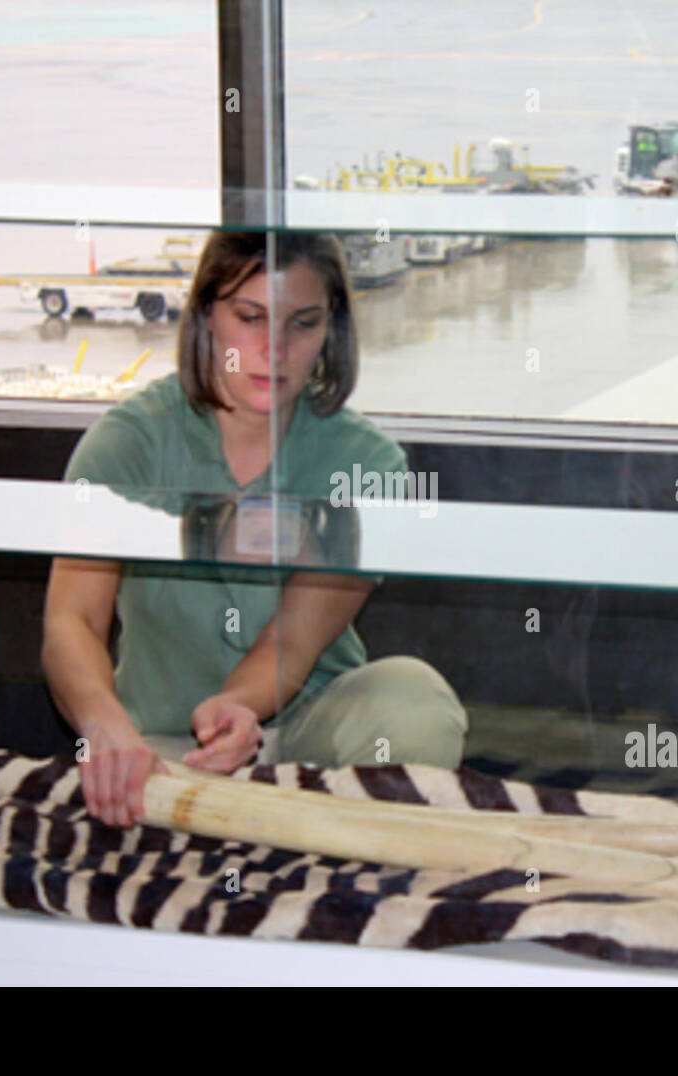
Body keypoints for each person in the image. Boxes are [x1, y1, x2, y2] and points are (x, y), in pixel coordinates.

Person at [41, 231, 468, 829]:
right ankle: (297, 835)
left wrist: (238, 705)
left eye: (303, 323)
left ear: (330, 332)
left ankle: (310, 838)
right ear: (206, 317)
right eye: (250, 318)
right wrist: (105, 728)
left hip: (310, 735)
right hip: (163, 744)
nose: (276, 349)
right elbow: (72, 621)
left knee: (415, 701)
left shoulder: (368, 465)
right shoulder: (128, 444)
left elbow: (294, 639)